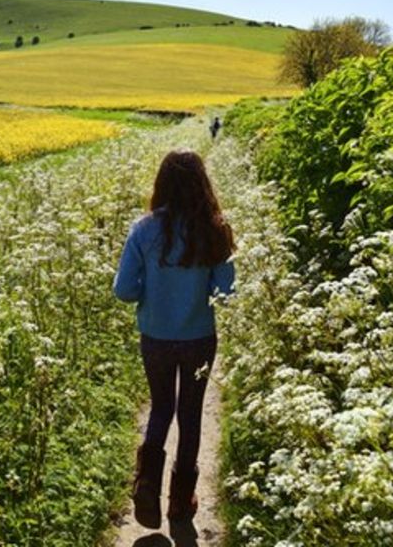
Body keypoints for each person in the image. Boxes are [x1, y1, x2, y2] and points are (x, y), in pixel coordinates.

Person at [113, 150, 236, 529]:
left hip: (155, 337)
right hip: (199, 337)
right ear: (203, 184)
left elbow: (123, 290)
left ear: (161, 183)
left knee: (162, 407)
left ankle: (147, 483)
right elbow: (225, 292)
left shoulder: (143, 229)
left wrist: (151, 292)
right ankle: (181, 502)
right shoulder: (215, 227)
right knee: (191, 413)